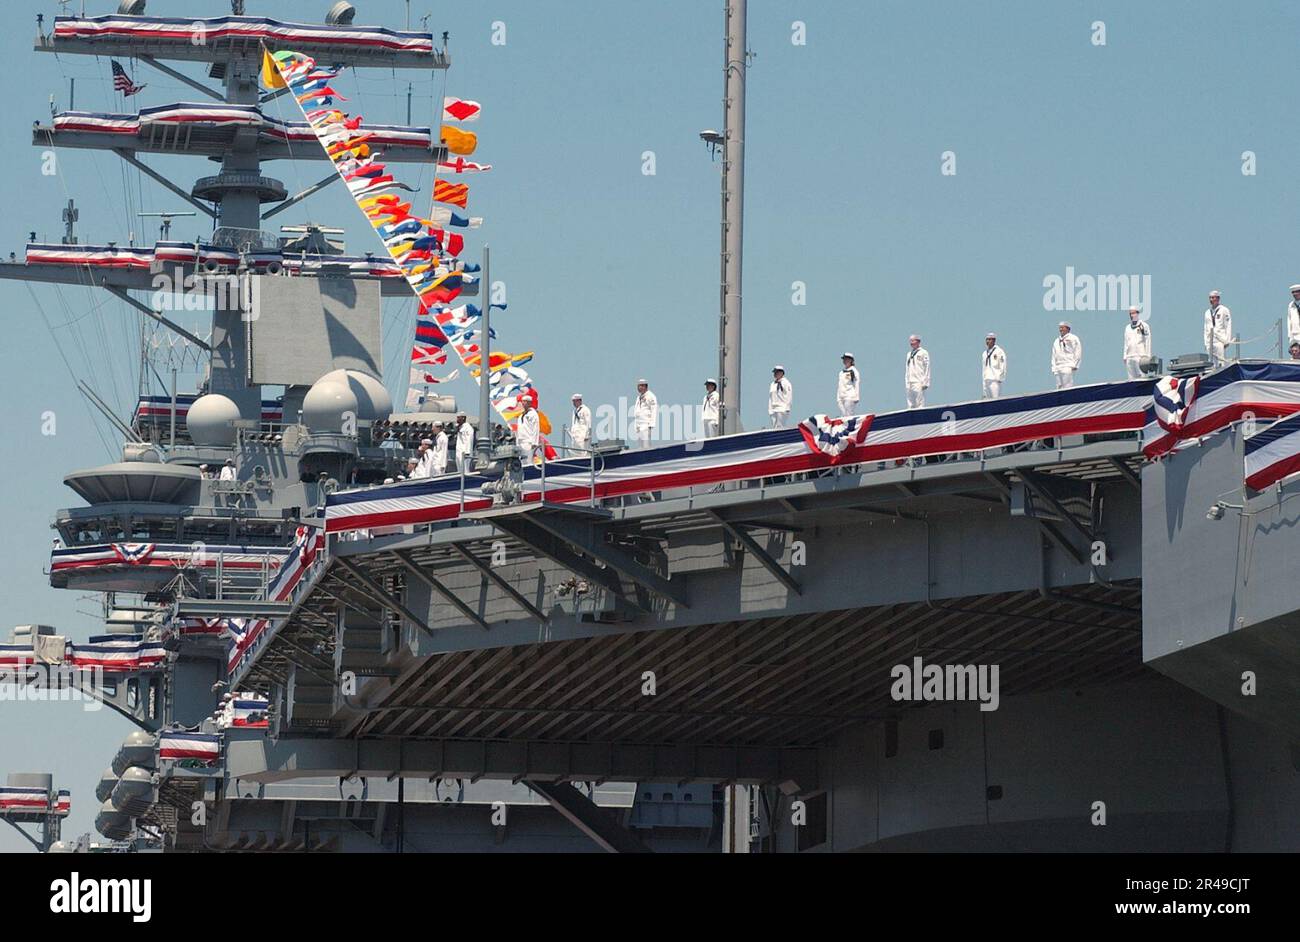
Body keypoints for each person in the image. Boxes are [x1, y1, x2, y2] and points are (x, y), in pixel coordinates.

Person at [1204, 289, 1232, 367]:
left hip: (1220, 339)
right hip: (1210, 340)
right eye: (1210, 298)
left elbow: (1228, 325)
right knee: (1211, 362)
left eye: (1213, 298)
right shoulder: (1207, 312)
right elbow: (1205, 329)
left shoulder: (1224, 310)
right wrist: (1206, 343)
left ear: (1218, 298)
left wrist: (1227, 340)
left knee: (1220, 362)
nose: (1211, 300)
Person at [1122, 306, 1152, 379]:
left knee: (1141, 377)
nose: (1132, 315)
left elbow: (1147, 340)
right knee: (1131, 378)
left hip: (1140, 356)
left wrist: (1148, 356)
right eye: (1130, 314)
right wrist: (1125, 355)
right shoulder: (1127, 328)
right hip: (1130, 356)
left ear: (1138, 313)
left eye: (1133, 313)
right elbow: (1126, 342)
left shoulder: (1144, 326)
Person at [1051, 321, 1082, 388]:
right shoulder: (1056, 341)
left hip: (1068, 365)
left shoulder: (1073, 338)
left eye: (1062, 327)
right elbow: (1054, 354)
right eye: (1060, 328)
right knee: (1059, 385)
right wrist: (1054, 367)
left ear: (1068, 329)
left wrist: (1075, 365)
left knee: (1067, 384)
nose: (1060, 329)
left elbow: (1078, 351)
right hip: (1058, 366)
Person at [905, 335, 930, 408]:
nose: (911, 343)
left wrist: (926, 381)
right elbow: (907, 368)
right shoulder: (909, 354)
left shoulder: (923, 352)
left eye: (913, 341)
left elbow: (927, 367)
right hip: (910, 380)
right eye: (910, 341)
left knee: (919, 401)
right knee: (910, 402)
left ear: (918, 341)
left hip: (919, 380)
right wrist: (906, 381)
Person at [516, 392, 541, 461]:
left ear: (529, 403)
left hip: (529, 442)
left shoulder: (533, 414)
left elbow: (535, 428)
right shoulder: (521, 416)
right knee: (521, 462)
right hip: (521, 442)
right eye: (523, 401)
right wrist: (517, 443)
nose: (523, 403)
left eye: (525, 401)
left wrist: (534, 443)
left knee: (528, 461)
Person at [982, 332, 1007, 399]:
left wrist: (1000, 377)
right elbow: (984, 369)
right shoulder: (984, 353)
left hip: (995, 379)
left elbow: (1003, 364)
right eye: (987, 339)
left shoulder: (999, 351)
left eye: (990, 339)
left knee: (996, 398)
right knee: (987, 400)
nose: (988, 341)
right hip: (987, 379)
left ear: (994, 340)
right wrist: (984, 385)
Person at [633, 379, 657, 448]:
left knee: (646, 445)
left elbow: (653, 410)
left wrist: (651, 424)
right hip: (639, 425)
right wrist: (636, 425)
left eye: (641, 386)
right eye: (638, 386)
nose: (639, 388)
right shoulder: (638, 398)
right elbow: (637, 411)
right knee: (640, 446)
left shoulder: (650, 396)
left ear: (645, 387)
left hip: (646, 424)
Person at [1288, 285, 1300, 350]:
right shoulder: (1291, 305)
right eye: (1293, 293)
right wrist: (1290, 336)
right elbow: (1289, 320)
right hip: (1295, 334)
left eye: (1296, 292)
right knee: (1296, 352)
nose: (1295, 294)